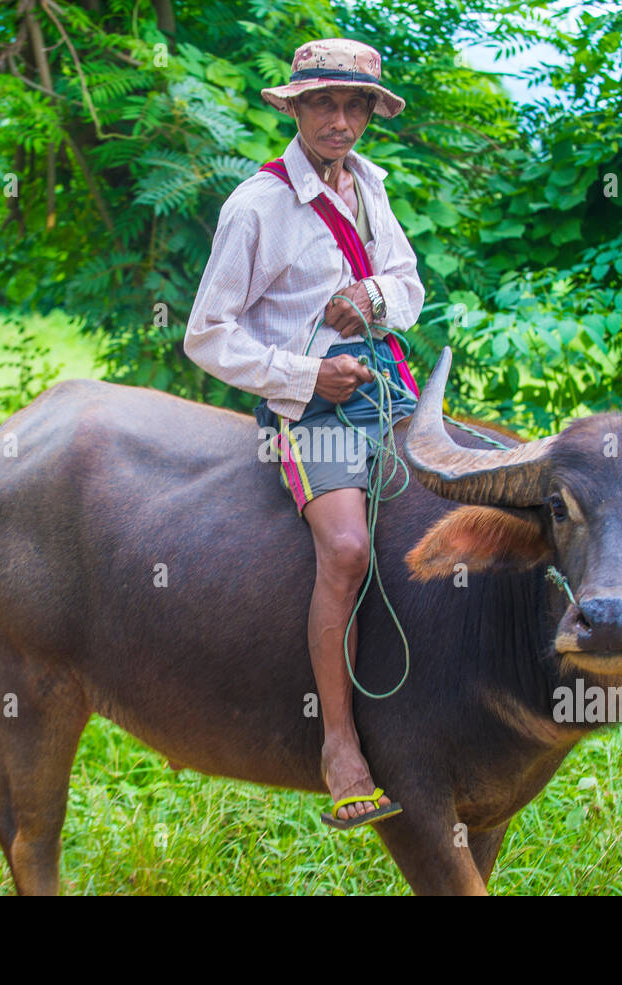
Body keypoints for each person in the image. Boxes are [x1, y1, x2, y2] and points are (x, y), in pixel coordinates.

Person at [184, 38, 425, 829]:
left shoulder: (371, 188)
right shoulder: (256, 207)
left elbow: (410, 285)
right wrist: (303, 377)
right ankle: (341, 744)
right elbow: (207, 334)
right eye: (326, 103)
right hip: (306, 409)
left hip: (385, 383)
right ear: (294, 107)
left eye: (357, 106)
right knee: (349, 548)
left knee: (443, 509)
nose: (343, 121)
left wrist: (373, 300)